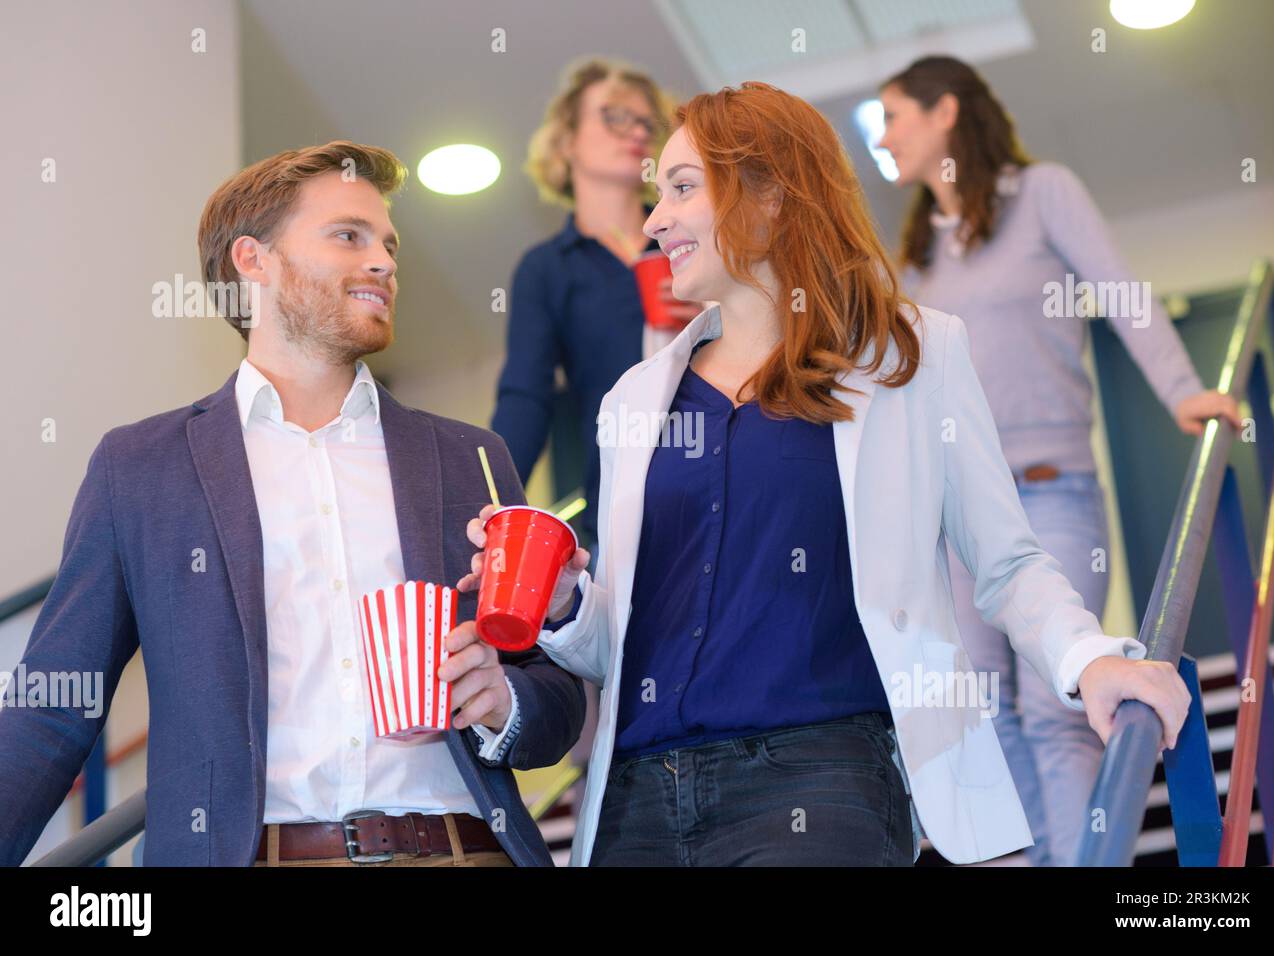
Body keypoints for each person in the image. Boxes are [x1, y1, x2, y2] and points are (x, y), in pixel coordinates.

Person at [457, 83, 1195, 867]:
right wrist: (570, 600)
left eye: (680, 189)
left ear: (770, 193)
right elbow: (622, 643)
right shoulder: (634, 399)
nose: (653, 220)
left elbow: (1007, 561)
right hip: (635, 802)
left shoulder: (910, 356)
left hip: (819, 782)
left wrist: (1092, 658)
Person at [0, 141, 585, 867]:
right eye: (349, 236)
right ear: (254, 260)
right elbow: (55, 707)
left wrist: (503, 700)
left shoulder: (472, 459)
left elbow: (555, 698)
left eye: (389, 244)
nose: (384, 262)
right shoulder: (141, 469)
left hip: (465, 849)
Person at [875, 55, 1241, 865]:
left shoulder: (1044, 194)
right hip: (954, 522)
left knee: (1054, 702)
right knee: (989, 712)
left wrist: (1183, 390)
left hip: (1050, 492)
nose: (884, 137)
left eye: (893, 115)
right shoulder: (916, 258)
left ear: (943, 113)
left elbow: (1122, 291)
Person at [491, 56, 698, 550]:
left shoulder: (693, 230)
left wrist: (715, 315)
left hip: (718, 470)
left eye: (647, 121)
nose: (638, 131)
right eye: (614, 115)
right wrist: (486, 503)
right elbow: (526, 400)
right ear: (566, 141)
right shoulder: (546, 268)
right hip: (618, 500)